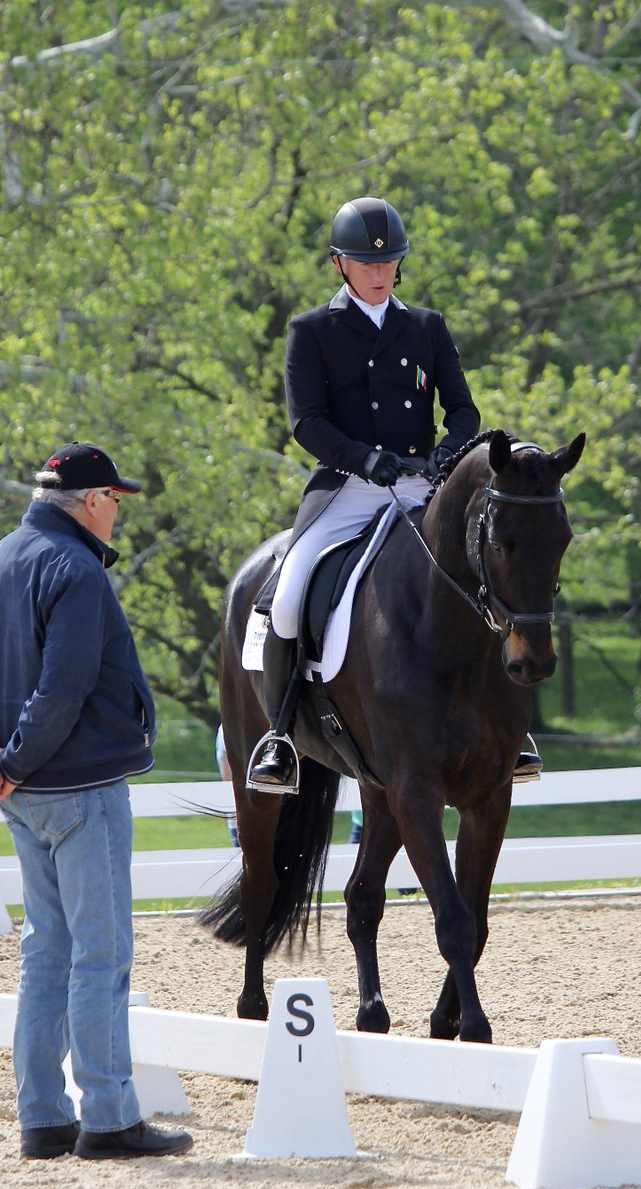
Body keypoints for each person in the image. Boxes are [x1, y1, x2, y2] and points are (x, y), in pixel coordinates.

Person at [0, 441, 193, 1162]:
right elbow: (64, 687)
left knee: (46, 955)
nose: (117, 513)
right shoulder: (78, 570)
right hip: (79, 787)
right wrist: (13, 757)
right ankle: (111, 1118)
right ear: (91, 502)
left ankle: (44, 1117)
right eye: (115, 500)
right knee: (100, 956)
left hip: (21, 796)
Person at [248, 195, 522, 789]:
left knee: (489, 573)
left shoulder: (425, 326)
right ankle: (279, 734)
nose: (379, 273)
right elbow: (307, 423)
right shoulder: (312, 331)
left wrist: (448, 453)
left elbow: (463, 410)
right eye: (366, 264)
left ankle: (509, 725)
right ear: (339, 264)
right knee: (289, 596)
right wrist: (366, 458)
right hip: (347, 489)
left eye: (389, 263)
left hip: (424, 489)